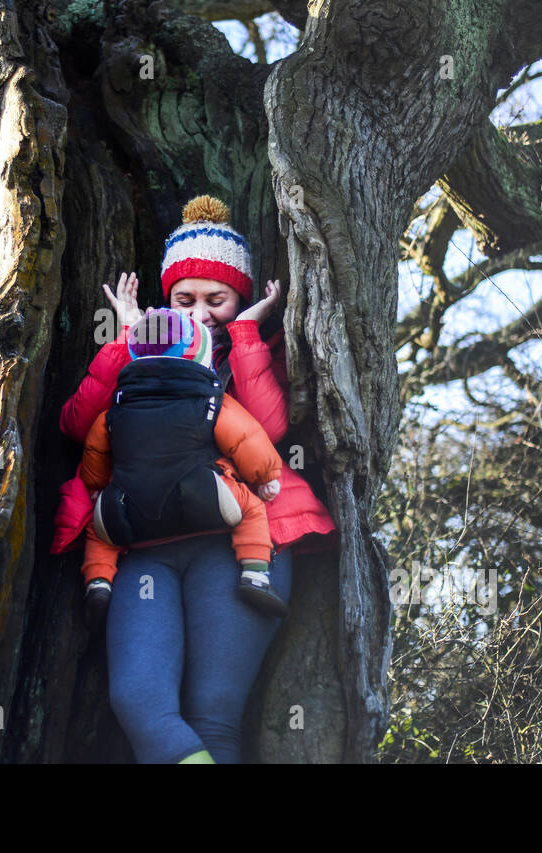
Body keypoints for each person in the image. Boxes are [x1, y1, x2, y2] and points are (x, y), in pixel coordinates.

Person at [51, 194, 339, 764]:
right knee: (138, 702)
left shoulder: (252, 350)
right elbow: (76, 424)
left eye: (219, 299)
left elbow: (270, 425)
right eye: (185, 299)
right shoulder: (137, 358)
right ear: (167, 300)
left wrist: (248, 336)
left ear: (240, 299)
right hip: (144, 548)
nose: (201, 312)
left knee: (213, 713)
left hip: (239, 541)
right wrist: (128, 345)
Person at [79, 307, 289, 627]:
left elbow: (95, 449)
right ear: (200, 352)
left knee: (98, 532)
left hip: (127, 509)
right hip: (202, 497)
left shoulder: (115, 410)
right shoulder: (210, 399)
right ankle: (255, 573)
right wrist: (266, 476)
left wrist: (94, 486)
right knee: (252, 509)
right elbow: (245, 438)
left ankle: (98, 583)